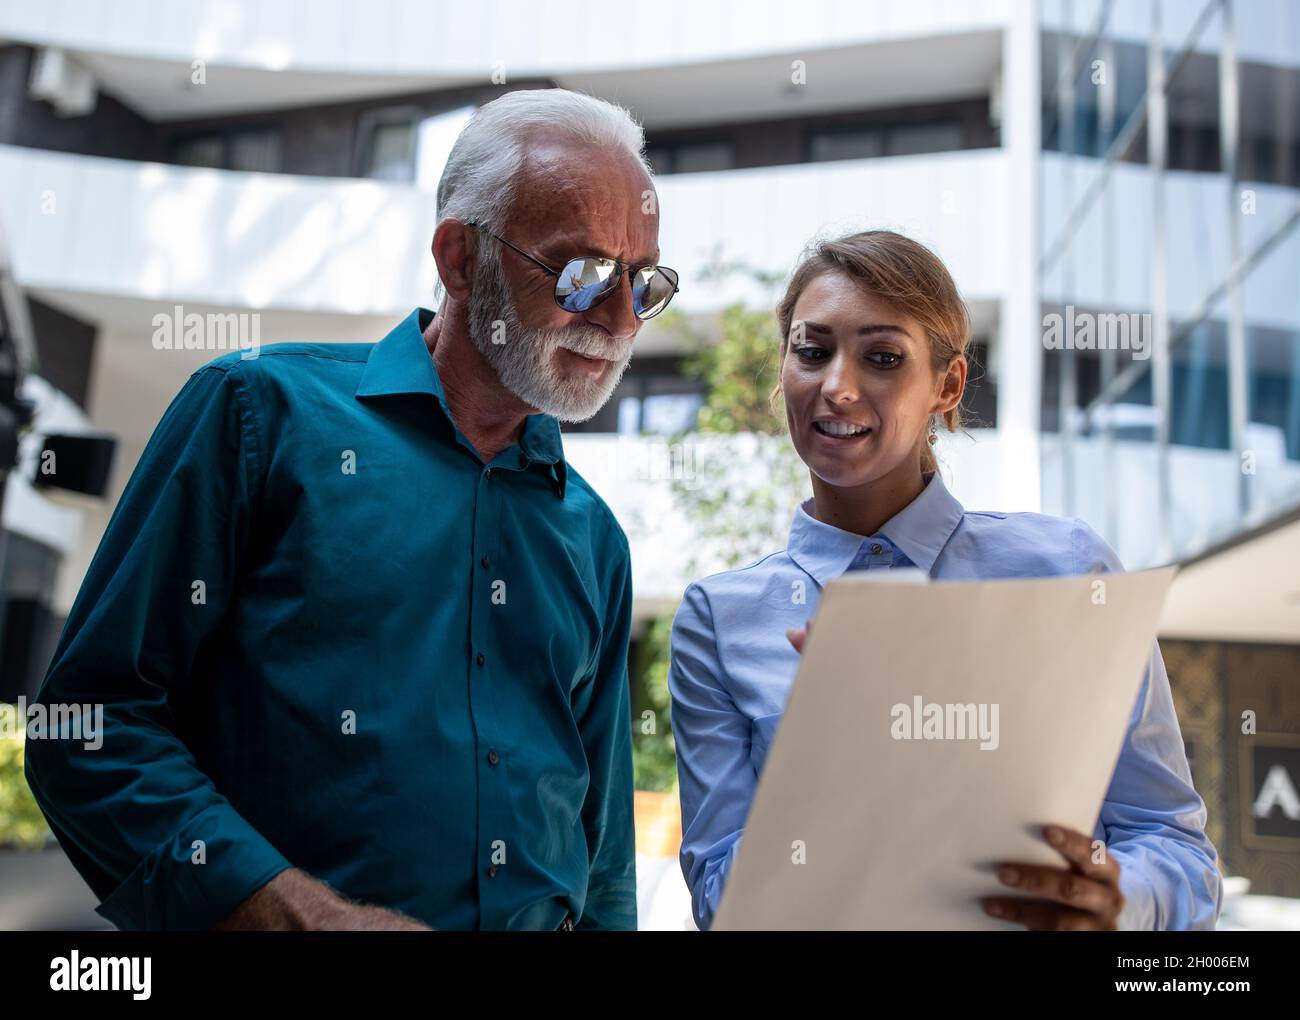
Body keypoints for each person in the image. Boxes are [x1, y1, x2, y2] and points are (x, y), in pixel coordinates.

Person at [25, 88, 680, 931]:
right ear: (459, 258)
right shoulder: (256, 414)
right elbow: (88, 726)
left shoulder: (594, 536)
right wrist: (297, 915)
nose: (622, 319)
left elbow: (602, 858)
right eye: (584, 274)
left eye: (644, 281)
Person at [668, 230, 1223, 931]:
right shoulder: (719, 620)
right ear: (784, 368)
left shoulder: (1069, 571)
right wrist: (839, 760)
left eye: (882, 357)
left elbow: (1177, 850)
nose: (837, 386)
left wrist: (1120, 899)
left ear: (948, 384)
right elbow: (721, 900)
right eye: (812, 351)